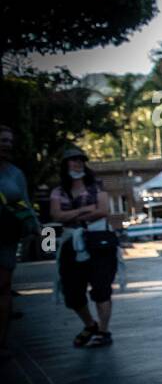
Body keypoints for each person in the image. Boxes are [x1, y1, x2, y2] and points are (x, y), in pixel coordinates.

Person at [48, 146, 118, 347]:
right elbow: (56, 216)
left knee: (101, 287)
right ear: (65, 164)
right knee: (72, 291)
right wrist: (86, 209)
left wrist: (71, 214)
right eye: (73, 160)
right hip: (71, 243)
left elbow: (103, 210)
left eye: (80, 160)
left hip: (98, 242)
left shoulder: (96, 186)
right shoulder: (58, 191)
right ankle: (90, 324)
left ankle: (103, 332)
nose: (77, 163)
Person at [0, 125, 36, 354]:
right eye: (2, 140)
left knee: (3, 288)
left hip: (5, 238)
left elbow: (24, 205)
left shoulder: (14, 173)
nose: (6, 144)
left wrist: (37, 229)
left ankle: (1, 343)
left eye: (9, 141)